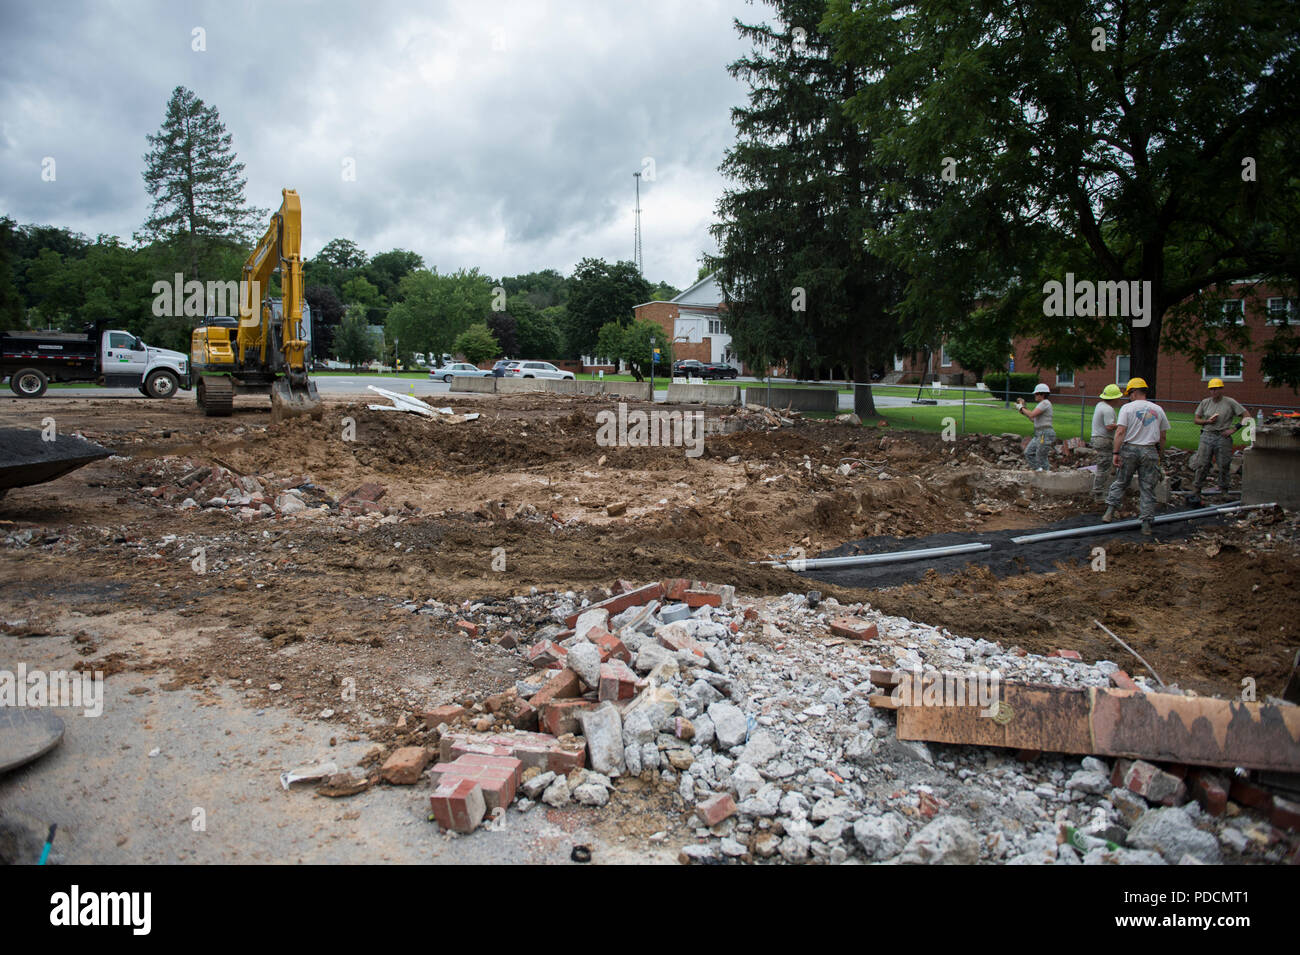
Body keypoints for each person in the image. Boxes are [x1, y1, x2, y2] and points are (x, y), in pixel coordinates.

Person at [1102, 377, 1170, 535]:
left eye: (1129, 395)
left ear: (1133, 393)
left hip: (1129, 450)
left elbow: (1120, 432)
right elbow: (1163, 436)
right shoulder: (1158, 409)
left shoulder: (1127, 408)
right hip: (1149, 450)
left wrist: (1116, 453)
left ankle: (1109, 512)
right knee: (1147, 487)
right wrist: (1159, 455)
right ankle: (1146, 524)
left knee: (1121, 481)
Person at [1191, 378, 1248, 497]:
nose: (1213, 392)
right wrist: (1207, 421)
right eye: (1211, 389)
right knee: (1202, 464)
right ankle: (1197, 489)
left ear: (1221, 389)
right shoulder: (1205, 402)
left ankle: (1224, 490)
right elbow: (1196, 419)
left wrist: (1233, 429)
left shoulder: (1230, 402)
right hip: (1207, 435)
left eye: (1216, 389)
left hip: (1223, 436)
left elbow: (1246, 416)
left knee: (1224, 464)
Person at [1090, 384, 1124, 499]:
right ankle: (1098, 494)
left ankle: (1109, 483)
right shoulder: (1108, 409)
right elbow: (1109, 426)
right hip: (1104, 440)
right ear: (1114, 398)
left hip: (1097, 439)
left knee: (1106, 465)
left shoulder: (1100, 405)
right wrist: (1122, 425)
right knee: (1103, 468)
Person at [1016, 383, 1056, 471]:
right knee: (1028, 453)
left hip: (1045, 433)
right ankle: (1039, 471)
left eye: (1037, 394)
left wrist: (1021, 407)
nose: (1035, 395)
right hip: (1039, 433)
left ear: (1043, 394)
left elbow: (1032, 414)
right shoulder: (1041, 404)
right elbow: (1033, 419)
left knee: (1041, 456)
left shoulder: (1045, 403)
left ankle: (1047, 475)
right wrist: (1023, 410)